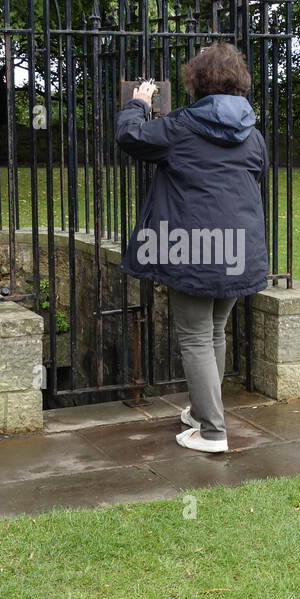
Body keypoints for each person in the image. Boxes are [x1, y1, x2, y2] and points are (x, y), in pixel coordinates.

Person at [115, 42, 269, 453]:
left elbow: (130, 137)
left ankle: (213, 432)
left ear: (197, 83)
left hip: (195, 246)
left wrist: (138, 103)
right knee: (214, 330)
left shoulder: (182, 127)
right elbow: (258, 177)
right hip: (239, 246)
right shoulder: (252, 133)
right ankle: (203, 414)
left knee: (197, 336)